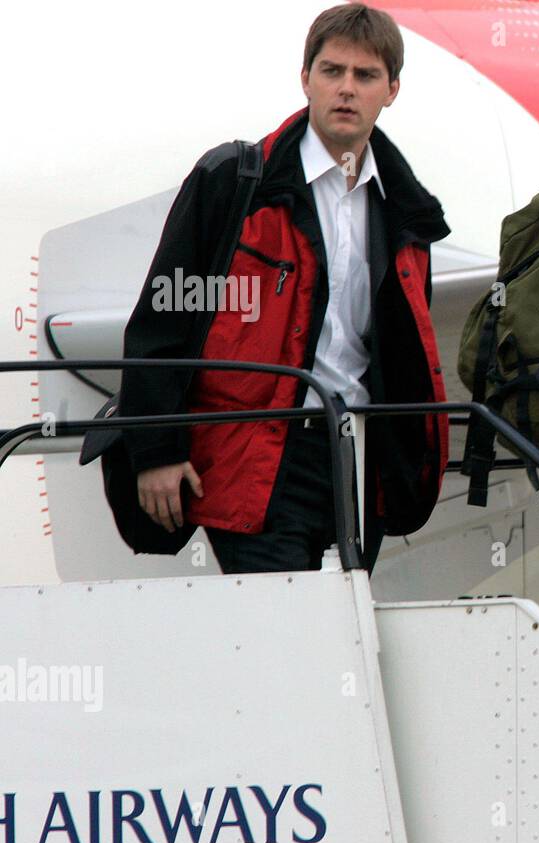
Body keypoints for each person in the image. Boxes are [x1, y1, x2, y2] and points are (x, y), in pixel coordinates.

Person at [119, 4, 452, 574]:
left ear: (392, 90)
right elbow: (163, 318)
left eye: (366, 76)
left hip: (356, 458)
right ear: (306, 80)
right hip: (258, 455)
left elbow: (398, 354)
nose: (346, 89)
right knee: (286, 633)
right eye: (332, 71)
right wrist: (156, 451)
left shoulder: (405, 212)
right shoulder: (233, 181)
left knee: (340, 640)